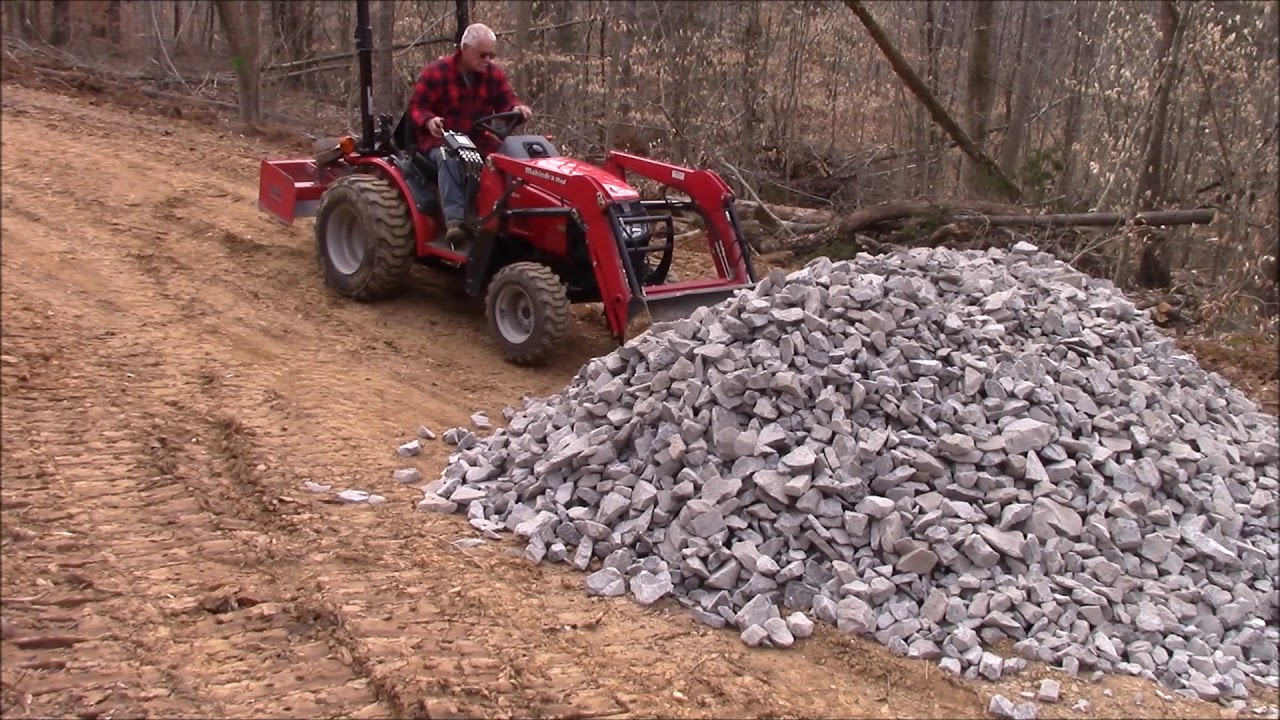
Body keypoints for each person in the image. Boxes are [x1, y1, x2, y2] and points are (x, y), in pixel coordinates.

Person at [408, 23, 533, 249]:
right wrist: (429, 120)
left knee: (509, 161)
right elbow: (417, 107)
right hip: (441, 138)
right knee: (449, 156)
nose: (487, 59)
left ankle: (504, 216)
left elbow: (507, 99)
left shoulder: (492, 75)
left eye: (491, 55)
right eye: (482, 54)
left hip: (478, 138)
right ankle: (455, 221)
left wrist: (517, 108)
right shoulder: (437, 72)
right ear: (465, 48)